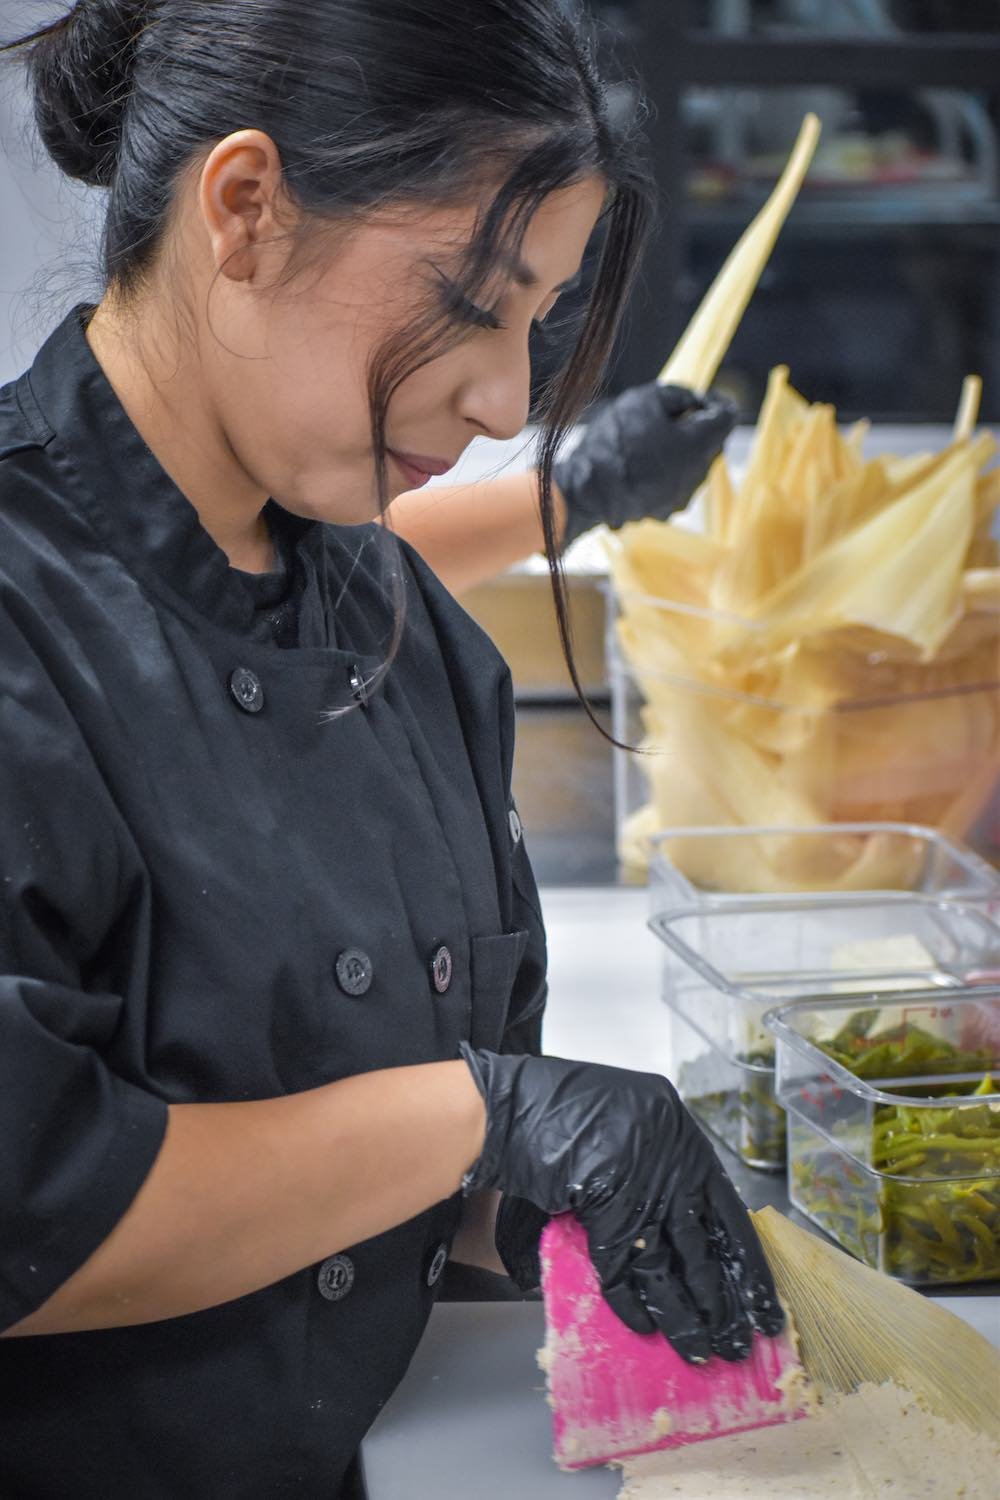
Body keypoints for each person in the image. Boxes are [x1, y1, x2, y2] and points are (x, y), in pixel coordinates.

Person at [0, 4, 779, 1496]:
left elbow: (379, 1136)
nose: (505, 400)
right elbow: (29, 1202)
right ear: (246, 209)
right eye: (475, 299)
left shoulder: (392, 616)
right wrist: (491, 1116)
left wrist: (545, 1196)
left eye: (538, 322)